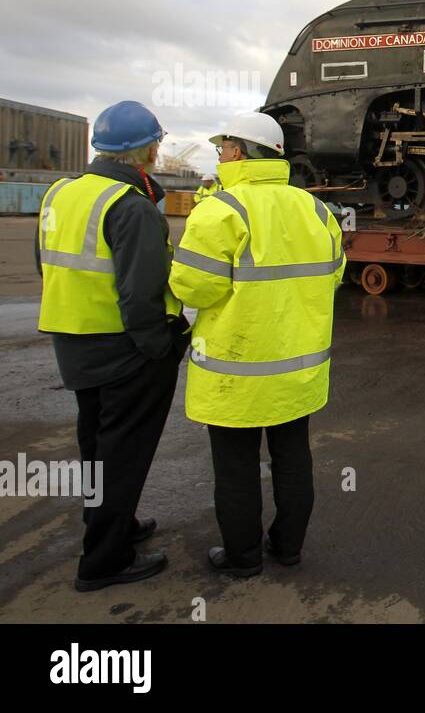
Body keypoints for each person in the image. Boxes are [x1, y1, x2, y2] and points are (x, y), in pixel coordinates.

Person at [169, 111, 345, 576]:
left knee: (235, 468)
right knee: (292, 459)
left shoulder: (220, 210)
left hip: (235, 373)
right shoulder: (315, 209)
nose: (220, 154)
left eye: (224, 147)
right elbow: (334, 275)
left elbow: (192, 288)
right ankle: (287, 547)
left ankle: (243, 558)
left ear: (241, 152)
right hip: (297, 371)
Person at [36, 100, 188, 591]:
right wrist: (157, 347)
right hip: (124, 349)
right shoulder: (132, 207)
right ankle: (104, 560)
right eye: (157, 143)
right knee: (123, 454)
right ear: (145, 149)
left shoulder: (61, 192)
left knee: (97, 447)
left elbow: (47, 266)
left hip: (73, 342)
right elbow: (140, 293)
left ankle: (110, 525)